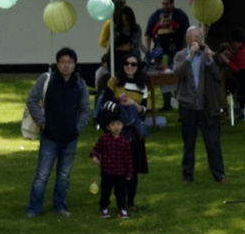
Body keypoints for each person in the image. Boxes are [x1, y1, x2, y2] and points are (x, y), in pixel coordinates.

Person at [24, 47, 94, 217]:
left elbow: (86, 108)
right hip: (50, 136)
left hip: (70, 137)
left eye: (70, 62)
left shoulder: (80, 84)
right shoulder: (47, 79)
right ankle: (34, 208)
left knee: (64, 176)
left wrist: (78, 128)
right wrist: (42, 122)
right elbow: (32, 100)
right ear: (57, 63)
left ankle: (60, 206)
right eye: (63, 62)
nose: (66, 65)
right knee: (42, 175)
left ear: (74, 65)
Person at [94, 58, 151, 208]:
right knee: (115, 167)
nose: (130, 66)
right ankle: (116, 200)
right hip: (117, 130)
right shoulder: (114, 81)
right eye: (126, 63)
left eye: (133, 64)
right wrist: (120, 107)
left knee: (132, 169)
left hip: (135, 132)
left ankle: (130, 202)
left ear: (138, 67)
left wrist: (134, 105)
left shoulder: (143, 86)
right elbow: (105, 103)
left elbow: (144, 111)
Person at [173, 25, 227, 183]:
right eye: (194, 37)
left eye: (199, 37)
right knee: (188, 143)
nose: (197, 40)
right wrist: (190, 56)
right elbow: (178, 73)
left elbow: (218, 76)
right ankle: (187, 176)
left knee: (212, 141)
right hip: (187, 106)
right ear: (187, 39)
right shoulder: (181, 55)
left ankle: (219, 174)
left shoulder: (207, 54)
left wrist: (210, 59)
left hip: (206, 106)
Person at [89, 114, 137, 219]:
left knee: (121, 192)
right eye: (113, 125)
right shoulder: (104, 139)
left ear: (122, 126)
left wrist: (129, 173)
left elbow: (128, 159)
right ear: (108, 127)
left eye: (118, 124)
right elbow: (95, 149)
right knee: (105, 191)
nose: (116, 127)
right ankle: (104, 208)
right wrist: (94, 157)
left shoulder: (124, 142)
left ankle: (122, 209)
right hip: (107, 171)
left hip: (120, 172)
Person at [147, 0, 191, 64]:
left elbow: (186, 34)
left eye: (167, 4)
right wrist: (147, 51)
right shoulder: (155, 16)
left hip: (175, 50)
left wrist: (184, 51)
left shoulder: (181, 15)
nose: (164, 6)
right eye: (162, 4)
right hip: (159, 50)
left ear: (172, 3)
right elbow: (148, 34)